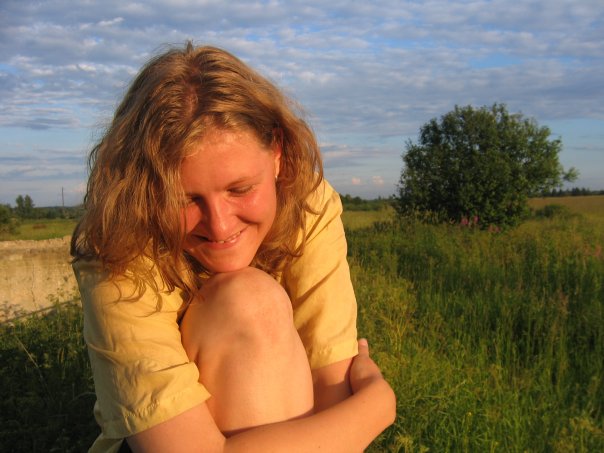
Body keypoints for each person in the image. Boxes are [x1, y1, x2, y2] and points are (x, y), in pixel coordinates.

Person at [71, 41, 396, 452]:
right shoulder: (120, 248)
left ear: (277, 154)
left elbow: (331, 388)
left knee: (251, 300)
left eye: (240, 189)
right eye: (185, 200)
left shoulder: (308, 203)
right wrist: (377, 406)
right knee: (247, 300)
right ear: (146, 192)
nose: (220, 225)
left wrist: (351, 417)